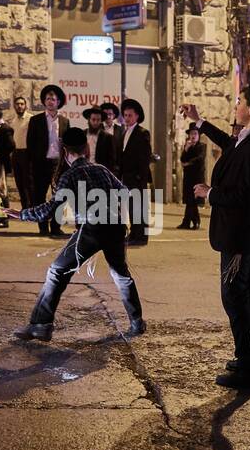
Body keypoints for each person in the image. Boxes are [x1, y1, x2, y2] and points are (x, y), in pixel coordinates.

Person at [183, 82, 250, 389]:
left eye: (241, 100)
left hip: (241, 235)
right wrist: (200, 122)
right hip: (246, 234)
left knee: (237, 298)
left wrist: (211, 194)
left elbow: (245, 196)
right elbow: (229, 144)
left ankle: (249, 364)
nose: (236, 104)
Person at [9, 126, 145, 341]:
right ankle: (137, 322)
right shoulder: (101, 169)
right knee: (121, 274)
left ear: (65, 151)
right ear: (86, 149)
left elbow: (48, 211)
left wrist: (21, 214)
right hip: (115, 226)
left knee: (57, 272)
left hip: (91, 229)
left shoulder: (68, 176)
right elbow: (125, 193)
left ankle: (41, 325)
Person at [25, 84, 69, 237]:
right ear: (44, 101)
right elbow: (30, 143)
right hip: (41, 163)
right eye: (48, 99)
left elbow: (67, 144)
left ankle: (56, 227)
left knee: (60, 196)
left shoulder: (64, 121)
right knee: (39, 196)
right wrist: (32, 164)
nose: (51, 101)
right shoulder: (35, 120)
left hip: (58, 164)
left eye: (54, 99)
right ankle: (42, 227)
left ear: (58, 102)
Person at [117, 97, 152, 246]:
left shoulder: (142, 132)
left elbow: (144, 157)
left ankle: (141, 236)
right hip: (127, 176)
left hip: (137, 177)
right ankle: (134, 233)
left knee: (139, 206)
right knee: (131, 206)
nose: (127, 118)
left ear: (137, 116)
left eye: (130, 115)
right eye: (125, 115)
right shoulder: (125, 132)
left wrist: (140, 176)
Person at [178, 122, 207, 230]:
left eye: (195, 133)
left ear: (198, 135)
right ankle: (187, 222)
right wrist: (185, 149)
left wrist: (188, 163)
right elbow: (182, 159)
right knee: (190, 200)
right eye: (191, 134)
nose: (193, 136)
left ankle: (195, 222)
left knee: (193, 200)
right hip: (188, 177)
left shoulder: (202, 146)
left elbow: (200, 159)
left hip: (197, 177)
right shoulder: (188, 146)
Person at [9, 94, 35, 210]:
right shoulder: (13, 121)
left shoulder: (31, 119)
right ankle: (25, 207)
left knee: (28, 182)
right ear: (14, 106)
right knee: (19, 182)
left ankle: (33, 207)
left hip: (27, 153)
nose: (19, 106)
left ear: (25, 106)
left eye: (22, 104)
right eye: (17, 104)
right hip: (16, 153)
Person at [83, 104, 117, 171]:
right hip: (82, 172)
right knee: (81, 182)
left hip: (99, 173)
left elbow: (111, 161)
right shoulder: (82, 134)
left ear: (101, 121)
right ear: (89, 119)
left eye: (98, 120)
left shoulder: (108, 137)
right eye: (93, 119)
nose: (95, 122)